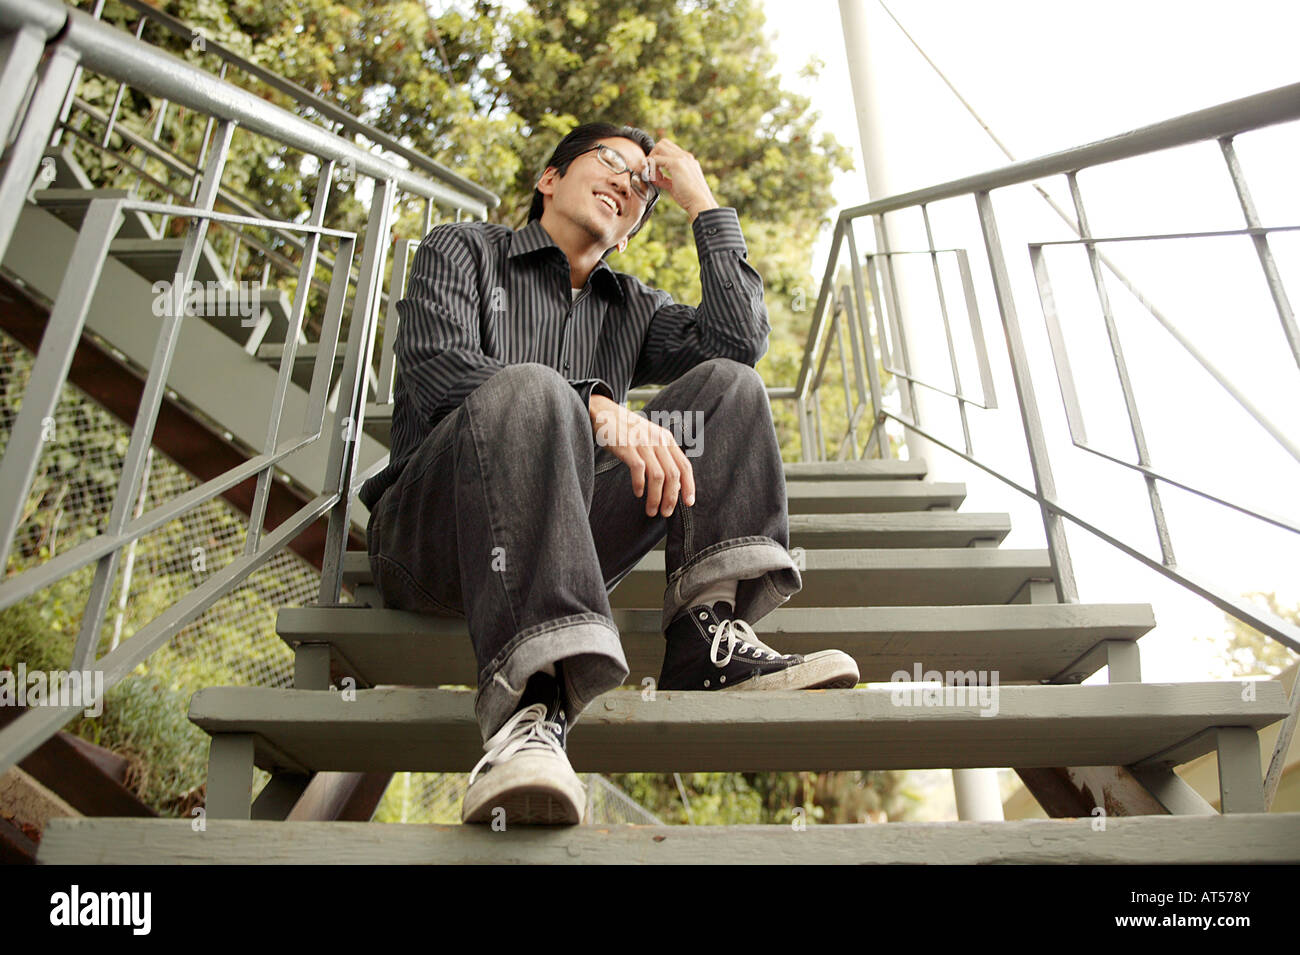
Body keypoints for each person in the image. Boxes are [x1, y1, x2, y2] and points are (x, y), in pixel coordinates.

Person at [359, 122, 859, 826]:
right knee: (530, 389)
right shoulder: (462, 249)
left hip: (560, 535)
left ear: (628, 232)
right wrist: (594, 403)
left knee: (730, 387)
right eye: (610, 161)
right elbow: (438, 371)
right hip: (433, 534)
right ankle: (528, 713)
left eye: (641, 182)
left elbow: (738, 341)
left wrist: (701, 203)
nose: (626, 180)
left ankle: (707, 636)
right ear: (549, 180)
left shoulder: (631, 306)